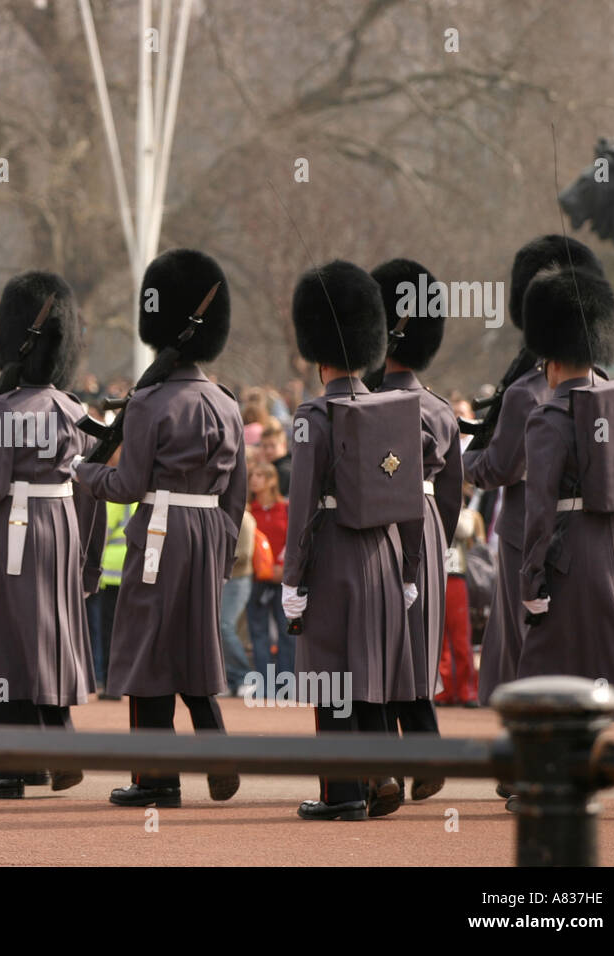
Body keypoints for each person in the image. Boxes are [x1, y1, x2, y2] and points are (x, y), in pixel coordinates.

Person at [75, 247, 246, 809]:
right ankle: (217, 749)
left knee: (147, 649)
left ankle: (156, 778)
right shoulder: (226, 403)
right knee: (195, 644)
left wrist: (85, 472)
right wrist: (221, 546)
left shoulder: (150, 402)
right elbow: (237, 493)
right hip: (209, 531)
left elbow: (126, 486)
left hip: (161, 534)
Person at [0, 270, 103, 798]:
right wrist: (88, 561)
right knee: (45, 638)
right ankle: (52, 745)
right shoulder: (77, 410)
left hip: (19, 531)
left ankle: (10, 767)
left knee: (5, 643)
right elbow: (88, 490)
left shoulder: (7, 410)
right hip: (63, 529)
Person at [282, 260, 416, 821]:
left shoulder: (314, 414)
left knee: (333, 671)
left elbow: (303, 504)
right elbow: (408, 497)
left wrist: (293, 578)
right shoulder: (393, 408)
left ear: (318, 358)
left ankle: (342, 793)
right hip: (384, 552)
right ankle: (378, 774)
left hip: (334, 551)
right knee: (372, 667)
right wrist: (409, 570)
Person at [464, 235, 605, 709]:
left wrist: (462, 460)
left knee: (525, 643)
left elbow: (500, 467)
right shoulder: (602, 385)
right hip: (590, 533)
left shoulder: (526, 393)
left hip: (528, 533)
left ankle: (532, 754)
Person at [516, 265, 614, 743]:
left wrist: (532, 577)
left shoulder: (547, 417)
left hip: (572, 553)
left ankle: (538, 772)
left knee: (546, 662)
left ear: (550, 360)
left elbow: (539, 510)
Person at [370, 258, 464, 805]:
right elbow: (451, 494)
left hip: (383, 526)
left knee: (380, 646)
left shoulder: (373, 406)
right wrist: (437, 544)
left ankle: (384, 764)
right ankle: (427, 750)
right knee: (414, 644)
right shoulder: (441, 409)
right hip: (428, 529)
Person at [247, 459, 292, 692]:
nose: (254, 479)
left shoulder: (285, 508)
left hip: (282, 579)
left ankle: (286, 685)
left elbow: (294, 541)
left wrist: (282, 568)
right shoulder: (247, 511)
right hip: (257, 579)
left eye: (259, 475)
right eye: (252, 475)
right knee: (258, 633)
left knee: (286, 632)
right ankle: (264, 685)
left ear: (272, 480)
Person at [436, 486, 484, 706]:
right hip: (438, 574)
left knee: (460, 637)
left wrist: (454, 502)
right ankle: (445, 689)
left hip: (455, 574)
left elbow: (464, 530)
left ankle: (466, 691)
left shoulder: (462, 510)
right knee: (441, 638)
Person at [94, 497, 134, 699]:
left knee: (110, 632)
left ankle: (112, 685)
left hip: (112, 569)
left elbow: (104, 530)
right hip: (132, 567)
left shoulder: (116, 498)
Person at [222, 507, 256, 692]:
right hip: (222, 579)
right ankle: (228, 678)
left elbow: (244, 554)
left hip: (238, 580)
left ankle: (244, 676)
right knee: (218, 628)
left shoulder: (245, 519)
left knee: (224, 626)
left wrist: (215, 555)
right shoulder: (221, 514)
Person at [258, 419, 292, 496]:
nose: (268, 451)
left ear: (283, 445)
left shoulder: (284, 471)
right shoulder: (267, 466)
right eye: (265, 446)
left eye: (272, 445)